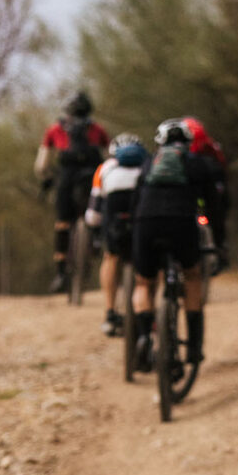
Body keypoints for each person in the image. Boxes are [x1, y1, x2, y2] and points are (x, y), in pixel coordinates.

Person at [127, 118, 212, 373]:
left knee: (144, 282)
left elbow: (135, 200)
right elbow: (212, 205)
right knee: (192, 276)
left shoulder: (148, 163)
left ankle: (143, 336)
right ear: (188, 143)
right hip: (181, 223)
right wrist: (219, 236)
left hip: (146, 223)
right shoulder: (196, 163)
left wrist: (135, 230)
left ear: (160, 143)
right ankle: (194, 346)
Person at [34, 92, 110, 293]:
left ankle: (60, 274)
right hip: (91, 178)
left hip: (66, 178)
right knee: (94, 216)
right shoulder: (97, 129)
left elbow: (41, 164)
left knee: (62, 222)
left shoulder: (56, 129)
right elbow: (109, 156)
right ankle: (94, 242)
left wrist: (47, 179)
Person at [85, 133, 146, 335]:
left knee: (110, 257)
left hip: (115, 223)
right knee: (148, 261)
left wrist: (95, 230)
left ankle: (110, 312)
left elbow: (93, 214)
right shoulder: (148, 166)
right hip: (142, 222)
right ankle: (149, 310)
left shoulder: (104, 169)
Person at [180, 114, 231, 264]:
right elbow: (222, 167)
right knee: (217, 210)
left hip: (190, 188)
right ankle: (220, 248)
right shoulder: (211, 145)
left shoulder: (178, 150)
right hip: (210, 185)